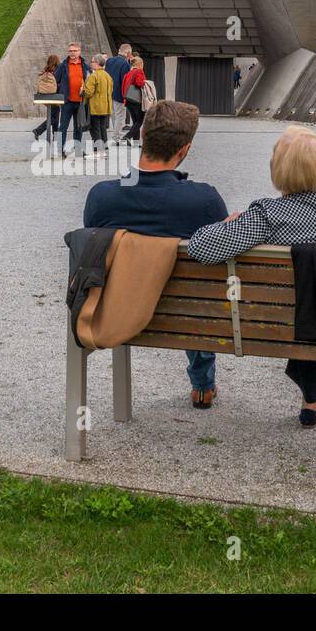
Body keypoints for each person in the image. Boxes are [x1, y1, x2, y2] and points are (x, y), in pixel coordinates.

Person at [188, 126, 316, 427]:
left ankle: (310, 400)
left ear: (279, 170)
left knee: (305, 292)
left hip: (277, 320)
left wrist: (229, 223)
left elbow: (200, 247)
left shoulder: (268, 215)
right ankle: (311, 403)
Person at [83, 101, 228, 408]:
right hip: (187, 316)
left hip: (119, 309)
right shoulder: (204, 201)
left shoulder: (102, 197)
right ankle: (203, 383)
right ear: (184, 149)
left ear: (142, 136)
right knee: (199, 287)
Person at [54, 42, 87, 155]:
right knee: (63, 127)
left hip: (80, 102)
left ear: (79, 52)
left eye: (75, 51)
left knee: (78, 127)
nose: (73, 53)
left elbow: (89, 79)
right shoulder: (63, 65)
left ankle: (77, 150)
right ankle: (60, 150)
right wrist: (62, 91)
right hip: (67, 102)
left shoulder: (84, 65)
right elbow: (55, 80)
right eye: (71, 51)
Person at [80, 53, 113, 154]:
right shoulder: (107, 76)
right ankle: (105, 148)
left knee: (96, 129)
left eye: (92, 61)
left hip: (95, 107)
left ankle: (98, 150)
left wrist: (82, 91)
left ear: (97, 63)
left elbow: (88, 92)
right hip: (105, 107)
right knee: (103, 128)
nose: (91, 63)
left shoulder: (94, 76)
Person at [31, 53, 61, 147]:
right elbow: (58, 84)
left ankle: (55, 137)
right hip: (54, 97)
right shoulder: (56, 71)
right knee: (54, 118)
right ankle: (38, 130)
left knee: (55, 116)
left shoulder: (45, 70)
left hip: (45, 96)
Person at [104, 44, 133, 142]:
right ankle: (117, 137)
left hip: (109, 92)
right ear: (128, 53)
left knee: (113, 115)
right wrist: (126, 96)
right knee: (120, 117)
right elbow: (125, 82)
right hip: (119, 94)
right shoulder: (125, 64)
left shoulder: (109, 61)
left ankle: (115, 134)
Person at [121, 57, 148, 144]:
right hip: (137, 101)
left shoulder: (127, 73)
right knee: (139, 121)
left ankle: (136, 142)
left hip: (128, 100)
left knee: (135, 122)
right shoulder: (139, 71)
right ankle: (127, 137)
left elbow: (123, 87)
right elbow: (139, 83)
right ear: (139, 64)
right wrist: (145, 83)